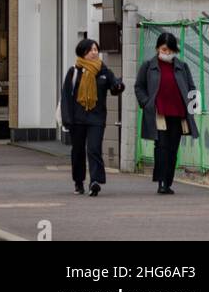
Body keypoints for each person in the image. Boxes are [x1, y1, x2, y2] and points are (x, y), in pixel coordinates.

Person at [134, 32, 199, 195]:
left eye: (170, 50)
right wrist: (147, 103)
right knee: (161, 147)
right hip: (159, 113)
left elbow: (191, 87)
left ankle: (168, 181)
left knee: (172, 149)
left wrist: (193, 108)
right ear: (157, 48)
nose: (167, 53)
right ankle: (161, 182)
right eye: (164, 49)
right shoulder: (148, 66)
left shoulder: (182, 66)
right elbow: (139, 87)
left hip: (178, 114)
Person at [60, 38, 125, 196]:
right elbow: (66, 97)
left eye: (96, 49)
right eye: (91, 50)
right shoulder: (74, 72)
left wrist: (118, 86)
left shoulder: (103, 71)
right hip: (77, 119)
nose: (94, 53)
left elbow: (114, 85)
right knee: (78, 151)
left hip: (97, 118)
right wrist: (67, 119)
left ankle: (95, 181)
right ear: (83, 53)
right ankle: (78, 181)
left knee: (94, 148)